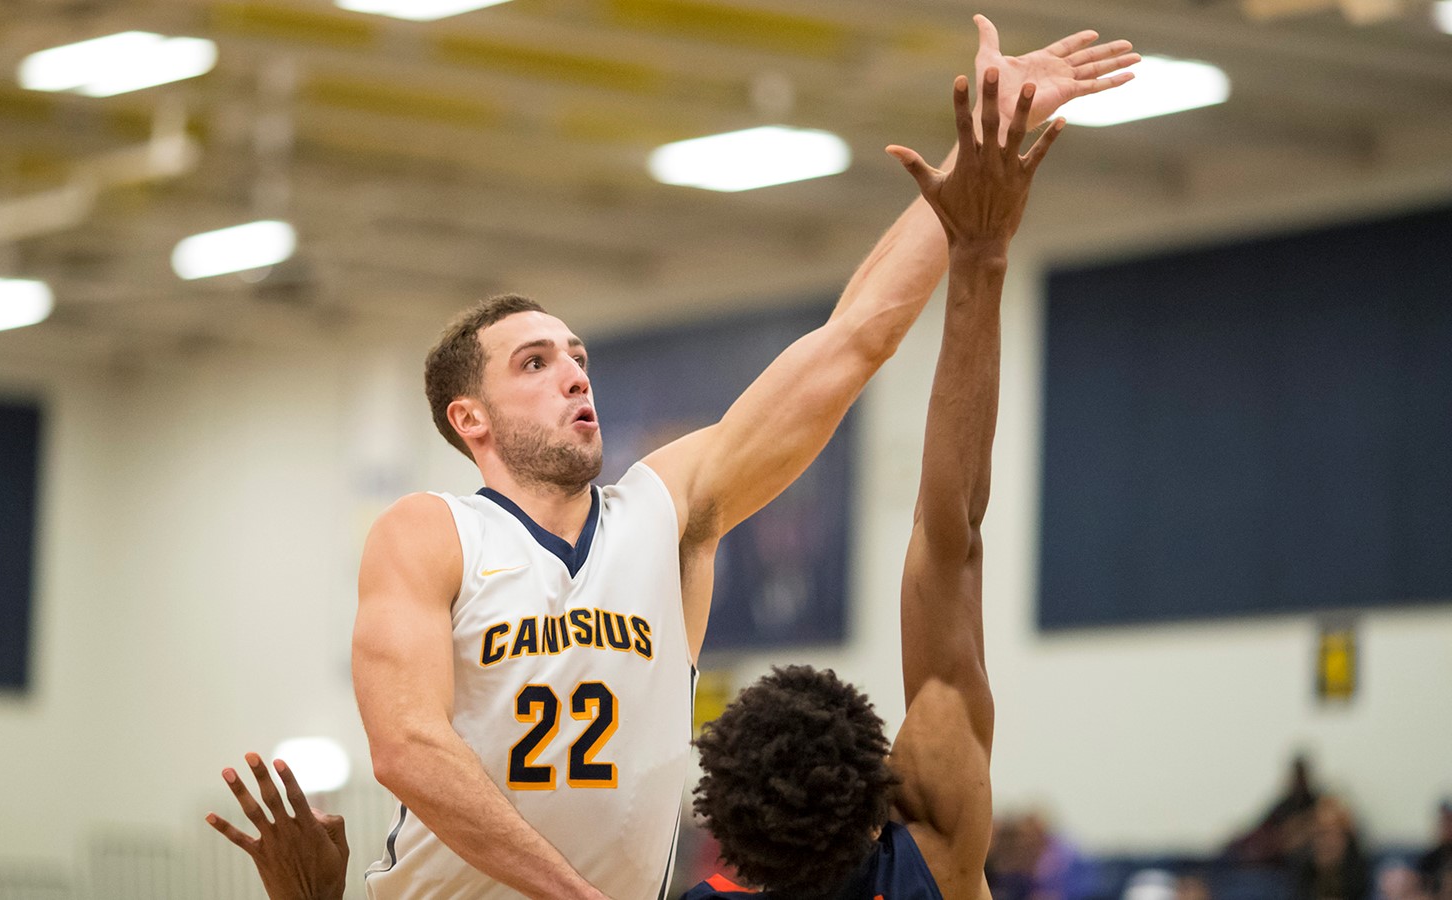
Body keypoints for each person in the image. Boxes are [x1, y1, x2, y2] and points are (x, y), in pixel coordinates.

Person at [210, 21, 1134, 900]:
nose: (574, 373)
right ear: (470, 419)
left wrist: (977, 163)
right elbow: (407, 748)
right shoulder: (431, 531)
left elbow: (851, 341)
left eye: (577, 355)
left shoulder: (666, 509)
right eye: (535, 362)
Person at [679, 66, 1058, 900]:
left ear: (724, 829)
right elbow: (951, 541)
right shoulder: (932, 858)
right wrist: (981, 254)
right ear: (877, 793)